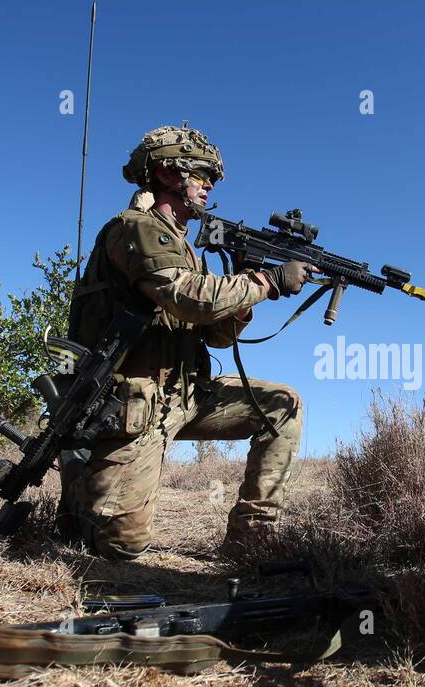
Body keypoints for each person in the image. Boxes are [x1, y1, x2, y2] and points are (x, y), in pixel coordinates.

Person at [60, 124, 317, 561]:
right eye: (202, 175)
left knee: (282, 405)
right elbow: (187, 299)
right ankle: (80, 474)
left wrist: (242, 296)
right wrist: (266, 280)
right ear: (165, 174)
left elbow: (215, 335)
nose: (210, 186)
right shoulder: (135, 229)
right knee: (122, 545)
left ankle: (250, 538)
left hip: (186, 395)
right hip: (135, 406)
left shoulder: (189, 251)